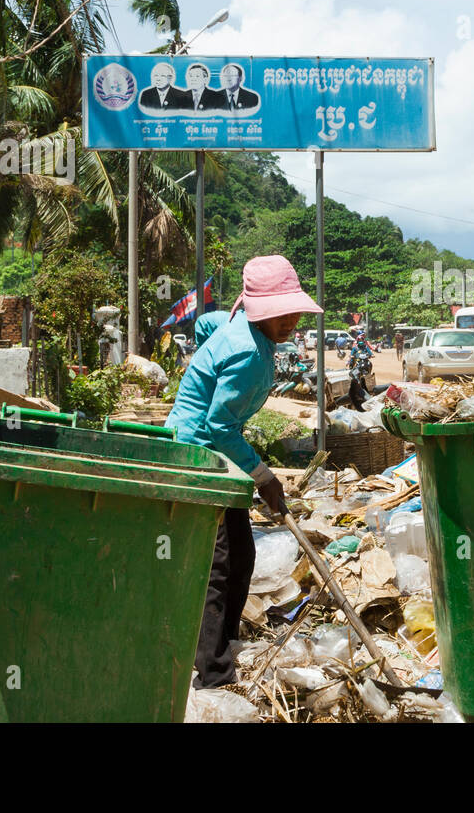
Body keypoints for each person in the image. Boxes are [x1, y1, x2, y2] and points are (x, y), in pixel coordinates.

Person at [165, 256, 322, 688]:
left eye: (292, 309)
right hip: (199, 456)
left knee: (242, 556)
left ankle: (226, 646)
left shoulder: (237, 325)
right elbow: (219, 425)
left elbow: (204, 327)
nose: (288, 319)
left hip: (219, 456)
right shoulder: (249, 352)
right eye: (278, 311)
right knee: (219, 564)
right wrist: (265, 477)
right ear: (257, 311)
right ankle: (212, 673)